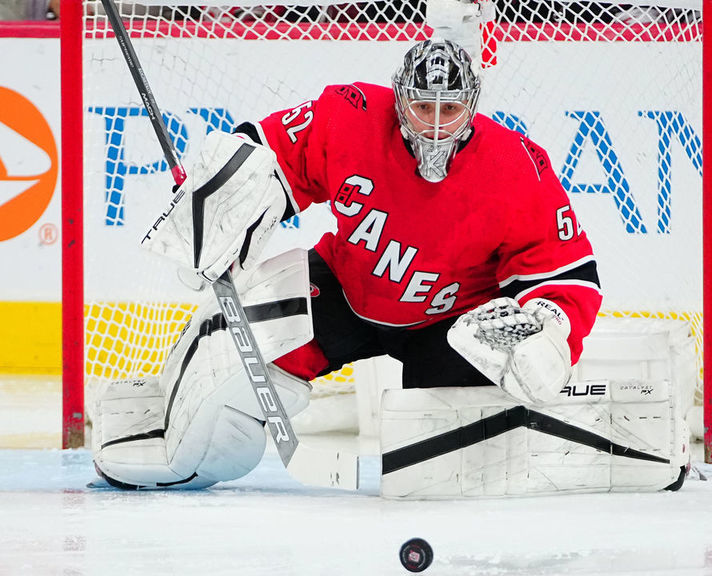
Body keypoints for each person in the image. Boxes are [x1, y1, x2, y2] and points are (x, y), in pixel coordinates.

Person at [92, 38, 605, 492]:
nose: (434, 123)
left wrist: (549, 330)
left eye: (449, 109)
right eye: (422, 106)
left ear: (472, 107)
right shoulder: (350, 114)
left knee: (446, 464)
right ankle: (175, 439)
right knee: (223, 352)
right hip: (344, 288)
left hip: (448, 324)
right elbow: (271, 154)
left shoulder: (515, 165)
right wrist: (227, 198)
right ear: (399, 99)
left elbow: (565, 273)